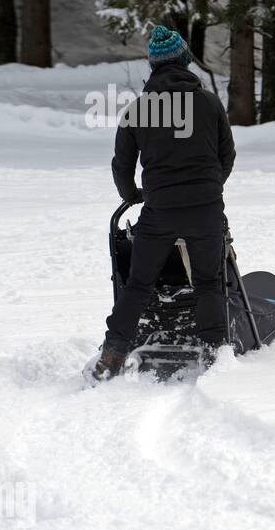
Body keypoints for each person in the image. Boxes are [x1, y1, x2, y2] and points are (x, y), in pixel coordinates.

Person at [91, 25, 236, 380]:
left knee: (138, 284)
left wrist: (132, 196)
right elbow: (227, 155)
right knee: (208, 282)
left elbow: (121, 166)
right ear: (185, 61)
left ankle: (113, 353)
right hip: (205, 211)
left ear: (154, 66)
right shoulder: (209, 102)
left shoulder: (138, 109)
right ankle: (216, 354)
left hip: (159, 213)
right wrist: (209, 187)